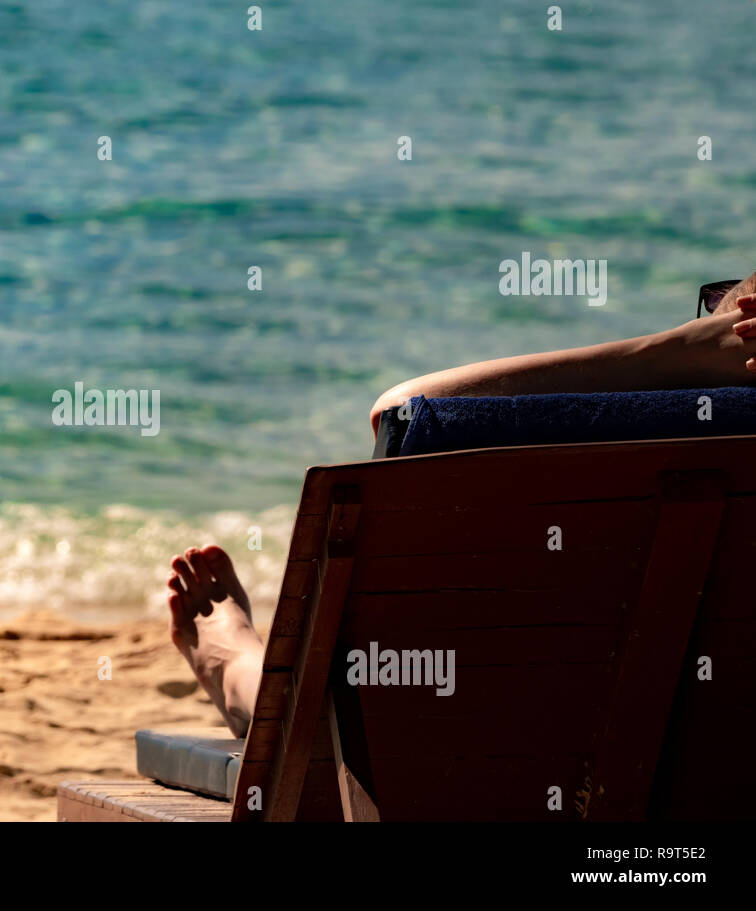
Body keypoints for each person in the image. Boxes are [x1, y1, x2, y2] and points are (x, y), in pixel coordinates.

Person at [167, 276, 756, 737]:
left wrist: (669, 352)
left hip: (484, 739)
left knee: (353, 707)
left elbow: (404, 413)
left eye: (714, 313)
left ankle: (243, 676)